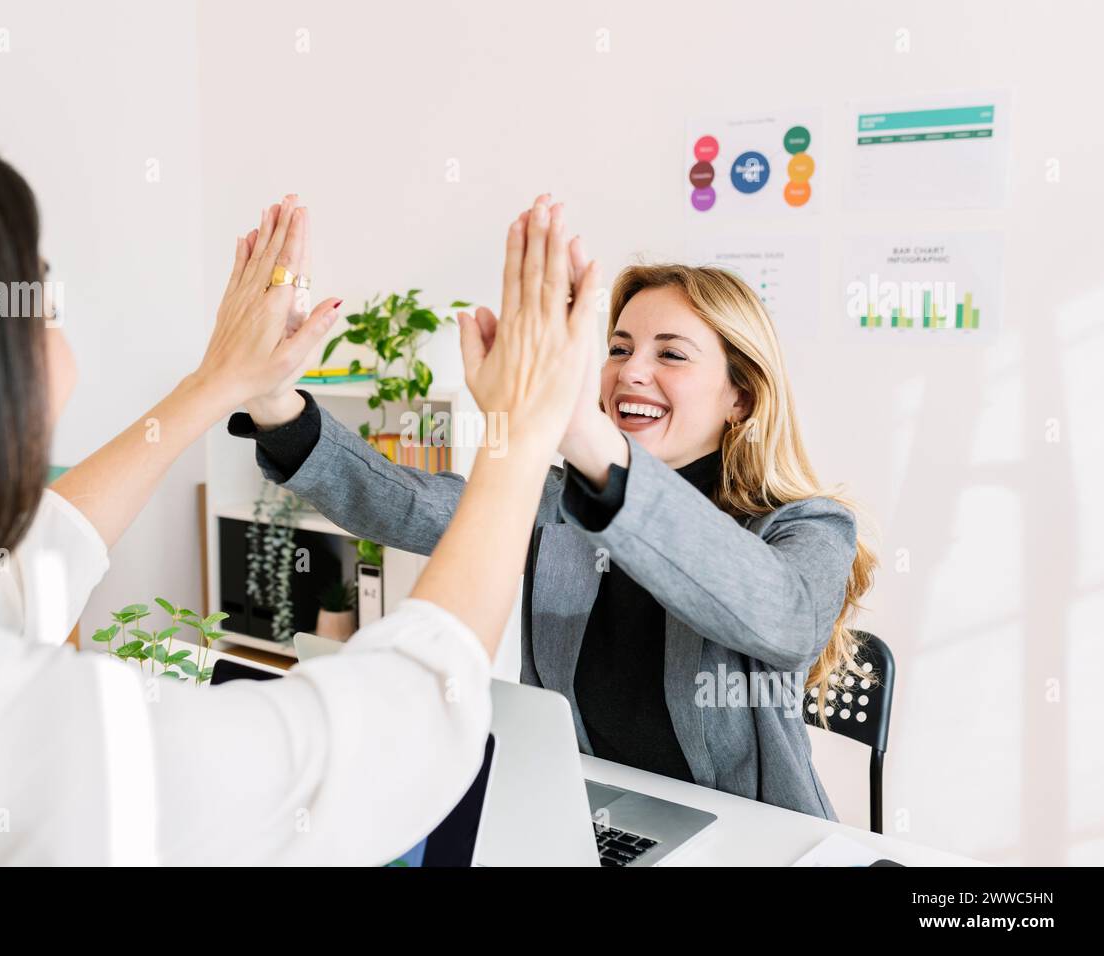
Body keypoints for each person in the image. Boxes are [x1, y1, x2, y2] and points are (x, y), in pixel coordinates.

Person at [0, 119, 597, 864]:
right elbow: (386, 739)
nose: (64, 350)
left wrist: (216, 385)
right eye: (37, 305)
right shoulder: (34, 737)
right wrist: (519, 437)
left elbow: (31, 568)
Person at [230, 197, 878, 821]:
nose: (630, 372)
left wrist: (574, 428)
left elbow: (783, 616)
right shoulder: (560, 499)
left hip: (760, 845)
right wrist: (275, 402)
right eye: (619, 348)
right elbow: (410, 506)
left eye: (670, 354)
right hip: (581, 816)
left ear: (741, 397)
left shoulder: (808, 525)